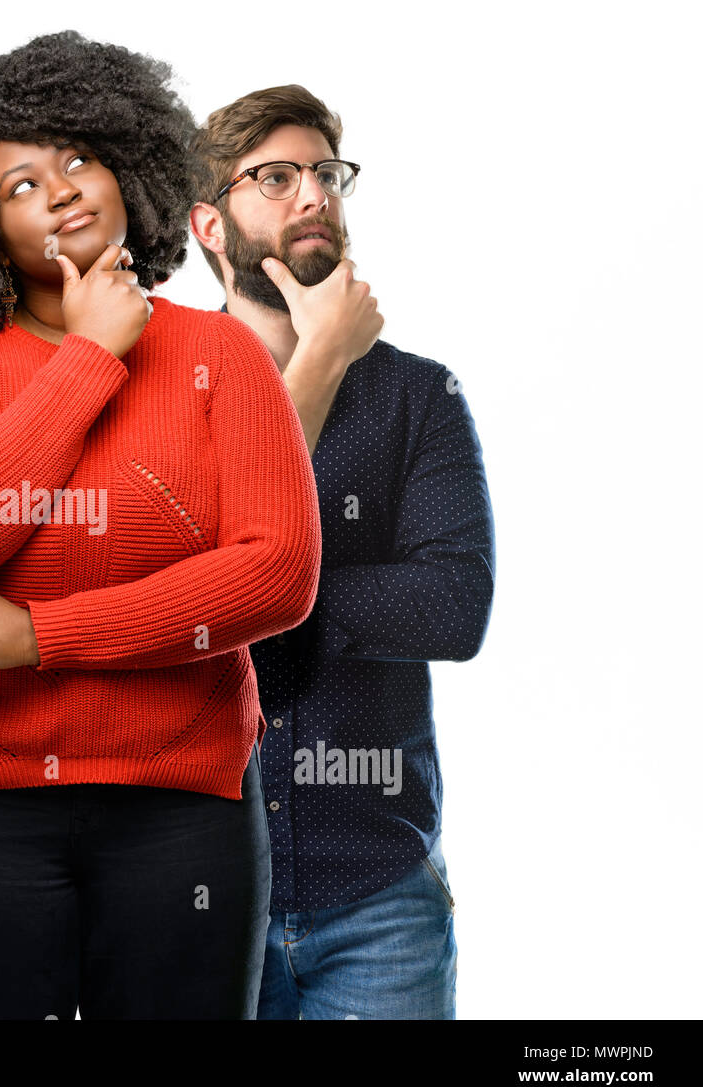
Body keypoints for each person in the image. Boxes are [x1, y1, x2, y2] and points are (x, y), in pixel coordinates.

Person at [0, 31, 324, 1020]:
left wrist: (38, 637)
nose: (62, 190)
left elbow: (274, 575)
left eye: (76, 159)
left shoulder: (221, 356)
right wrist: (92, 356)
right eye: (20, 184)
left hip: (180, 812)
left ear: (126, 165)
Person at [190, 85, 496, 1019]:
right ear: (209, 225)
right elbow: (152, 584)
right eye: (275, 178)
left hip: (379, 897)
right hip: (190, 896)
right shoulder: (161, 386)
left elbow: (452, 605)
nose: (313, 194)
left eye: (325, 173)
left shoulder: (418, 395)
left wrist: (257, 581)